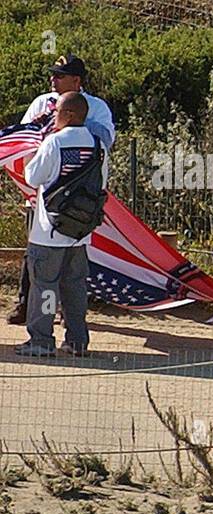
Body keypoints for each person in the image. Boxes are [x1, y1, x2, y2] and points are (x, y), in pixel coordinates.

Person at [6, 54, 115, 326]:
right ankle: (26, 302)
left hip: (78, 197)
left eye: (60, 75)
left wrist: (68, 122)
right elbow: (26, 139)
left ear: (76, 81)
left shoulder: (96, 107)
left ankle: (59, 321)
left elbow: (105, 138)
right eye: (53, 74)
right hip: (43, 192)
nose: (52, 80)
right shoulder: (42, 103)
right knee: (36, 258)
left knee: (66, 265)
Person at [15, 92, 109, 357]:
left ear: (68, 115)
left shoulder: (54, 143)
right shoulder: (98, 144)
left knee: (45, 287)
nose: (53, 118)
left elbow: (33, 177)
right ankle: (77, 341)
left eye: (56, 113)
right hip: (80, 232)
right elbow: (101, 184)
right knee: (76, 287)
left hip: (49, 231)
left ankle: (42, 340)